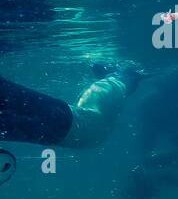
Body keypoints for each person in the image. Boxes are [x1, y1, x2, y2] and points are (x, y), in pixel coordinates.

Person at [0, 63, 145, 148]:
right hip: (80, 129)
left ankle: (125, 76)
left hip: (80, 129)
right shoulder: (97, 119)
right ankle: (124, 76)